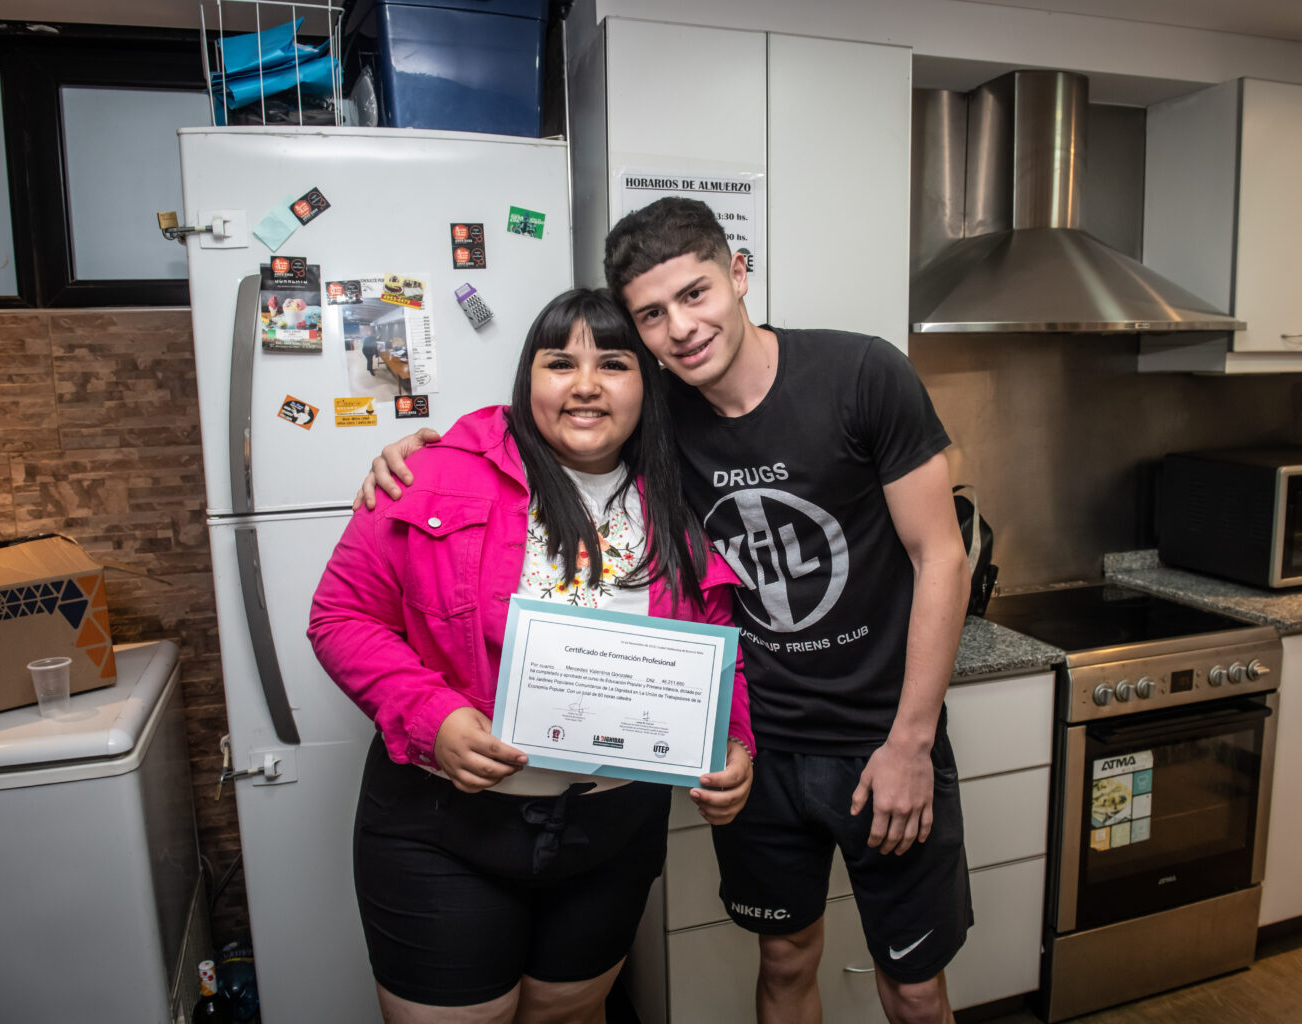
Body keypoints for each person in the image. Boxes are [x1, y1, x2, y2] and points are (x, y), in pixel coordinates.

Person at [360, 199, 972, 1024]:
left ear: (739, 274)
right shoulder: (653, 417)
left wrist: (912, 743)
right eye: (652, 314)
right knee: (786, 958)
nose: (680, 328)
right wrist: (417, 449)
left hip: (881, 737)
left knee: (916, 989)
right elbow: (538, 431)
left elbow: (943, 553)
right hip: (759, 752)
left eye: (696, 294)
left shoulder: (862, 374)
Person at [311, 286, 756, 1024]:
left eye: (613, 363)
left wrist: (734, 741)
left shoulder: (681, 496)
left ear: (647, 385)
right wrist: (433, 714)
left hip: (611, 835)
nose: (585, 385)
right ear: (529, 381)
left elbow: (719, 642)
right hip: (444, 829)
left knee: (570, 1014)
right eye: (560, 362)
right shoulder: (437, 472)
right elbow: (341, 615)